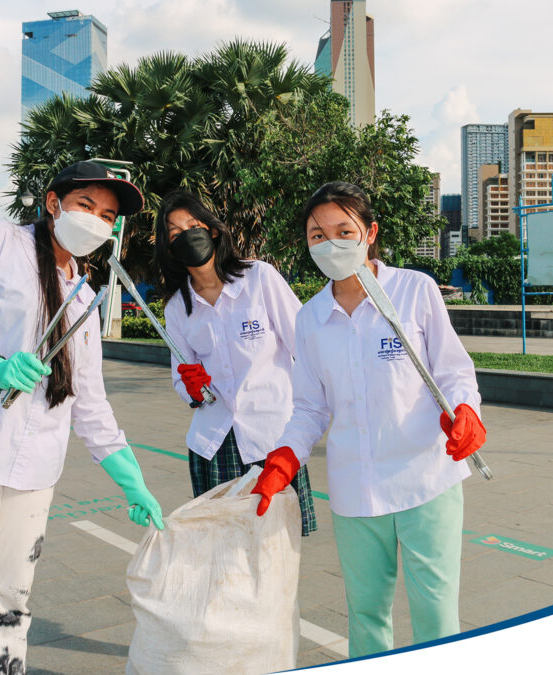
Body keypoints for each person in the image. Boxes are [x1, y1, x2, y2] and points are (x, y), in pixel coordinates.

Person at [0, 161, 164, 674]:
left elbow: (89, 404)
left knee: (10, 608)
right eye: (85, 206)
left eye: (108, 215)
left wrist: (132, 480)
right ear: (53, 203)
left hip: (33, 474)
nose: (96, 221)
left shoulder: (86, 298)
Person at [252, 182, 487, 657]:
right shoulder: (311, 318)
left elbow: (454, 372)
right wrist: (282, 459)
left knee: (436, 615)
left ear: (370, 232)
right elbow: (311, 408)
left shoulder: (413, 290)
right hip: (356, 490)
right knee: (365, 616)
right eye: (317, 235)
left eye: (344, 230)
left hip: (427, 480)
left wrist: (466, 412)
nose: (331, 242)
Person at [155, 190, 316, 536]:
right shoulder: (176, 309)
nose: (186, 236)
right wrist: (193, 389)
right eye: (174, 234)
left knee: (277, 547)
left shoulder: (259, 278)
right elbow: (182, 381)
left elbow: (305, 346)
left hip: (272, 438)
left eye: (193, 225)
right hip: (214, 444)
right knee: (224, 550)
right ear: (169, 250)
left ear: (212, 230)